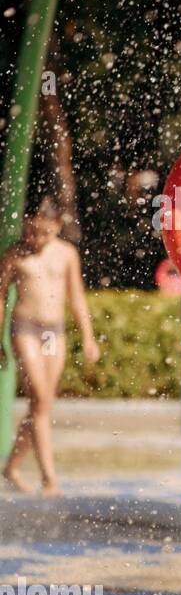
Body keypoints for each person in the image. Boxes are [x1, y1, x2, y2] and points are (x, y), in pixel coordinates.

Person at [1, 197, 101, 495]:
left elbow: (77, 297)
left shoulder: (66, 254)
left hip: (53, 331)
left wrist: (88, 336)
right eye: (31, 232)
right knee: (40, 398)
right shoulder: (15, 254)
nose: (36, 239)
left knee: (42, 405)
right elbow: (2, 296)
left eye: (43, 233)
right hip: (26, 329)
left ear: (57, 226)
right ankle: (50, 479)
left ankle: (11, 467)